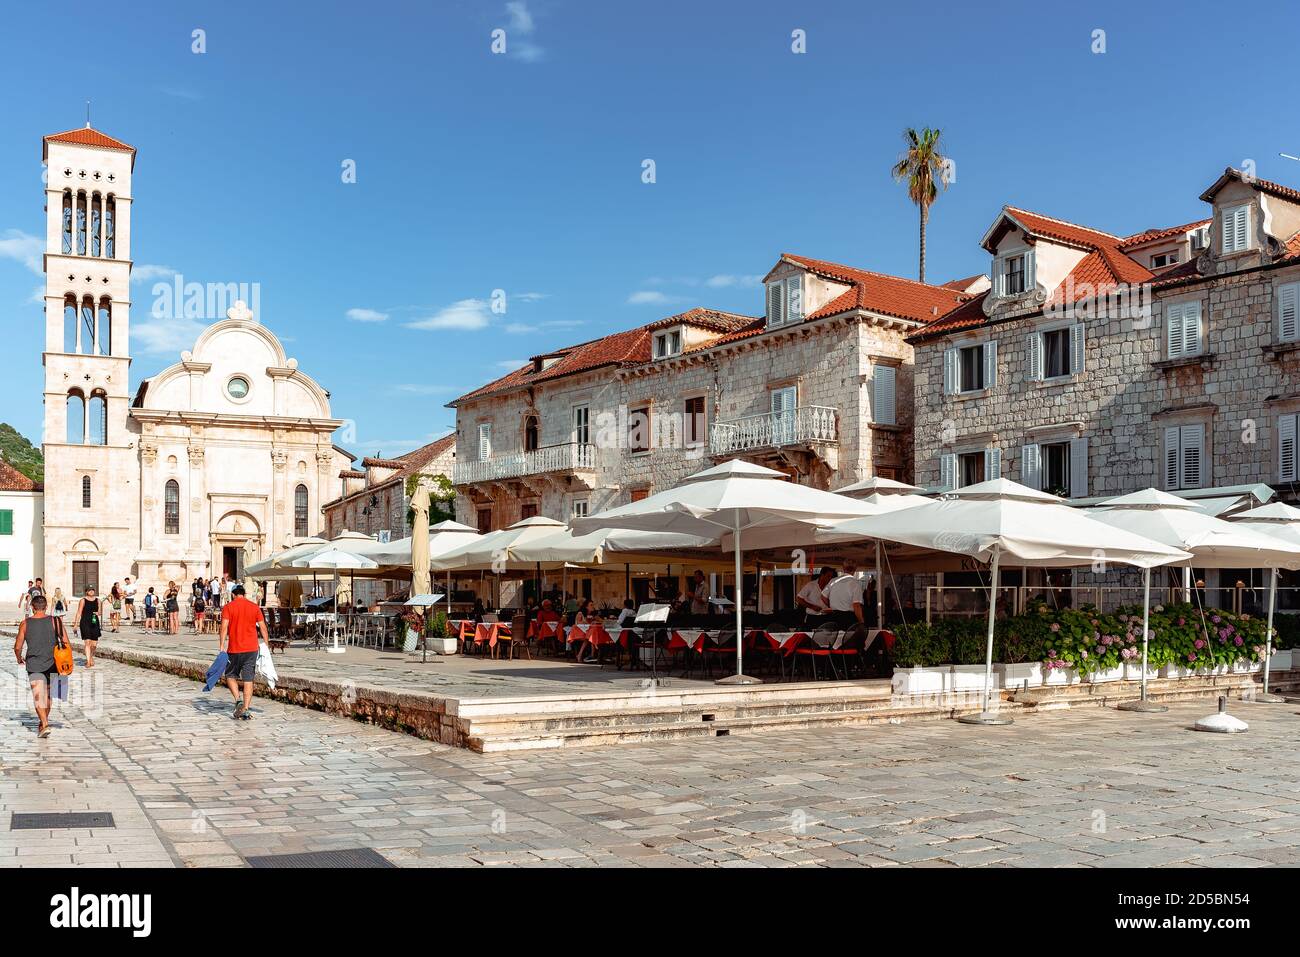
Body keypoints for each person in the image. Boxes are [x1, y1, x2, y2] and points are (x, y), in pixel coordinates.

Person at [13, 595, 65, 738]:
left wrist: (19, 659)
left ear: (32, 607)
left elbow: (17, 647)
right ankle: (43, 723)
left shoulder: (25, 623)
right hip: (55, 663)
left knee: (38, 696)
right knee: (48, 695)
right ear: (47, 606)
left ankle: (45, 723)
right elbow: (66, 642)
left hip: (34, 663)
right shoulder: (56, 621)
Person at [219, 584, 270, 720]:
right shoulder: (254, 607)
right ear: (244, 594)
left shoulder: (228, 607)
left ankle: (238, 699)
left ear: (233, 594)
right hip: (251, 648)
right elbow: (263, 627)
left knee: (230, 675)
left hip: (234, 648)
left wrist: (221, 645)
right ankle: (246, 708)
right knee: (248, 679)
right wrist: (266, 644)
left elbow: (224, 627)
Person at [73, 585, 102, 668]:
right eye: (90, 590)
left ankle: (91, 656)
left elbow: (100, 612)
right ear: (86, 592)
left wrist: (98, 613)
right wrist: (75, 624)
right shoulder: (83, 600)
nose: (91, 591)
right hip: (85, 622)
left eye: (93, 590)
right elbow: (79, 612)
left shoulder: (98, 600)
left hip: (94, 622)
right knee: (87, 642)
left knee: (94, 645)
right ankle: (88, 661)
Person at [571, 598, 601, 664]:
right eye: (591, 605)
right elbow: (578, 622)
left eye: (593, 605)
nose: (593, 606)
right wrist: (588, 622)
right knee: (590, 637)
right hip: (579, 632)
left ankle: (583, 655)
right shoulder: (580, 613)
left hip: (587, 632)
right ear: (586, 606)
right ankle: (591, 655)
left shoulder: (593, 614)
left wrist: (596, 620)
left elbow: (601, 621)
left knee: (591, 636)